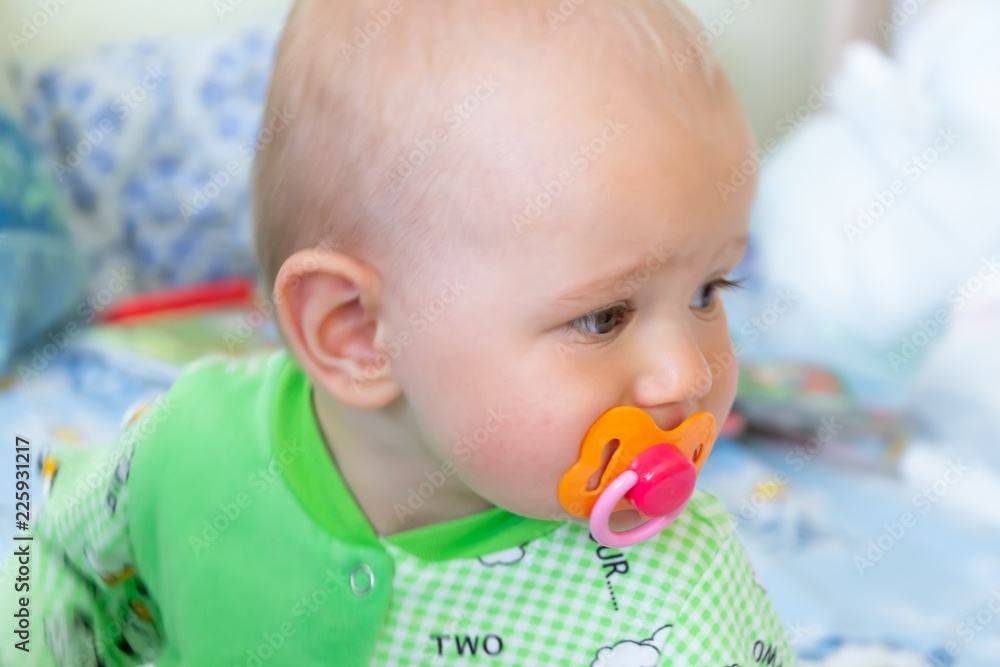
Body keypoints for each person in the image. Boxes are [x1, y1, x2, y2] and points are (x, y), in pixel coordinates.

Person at [8, 0, 797, 664]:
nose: (687, 374)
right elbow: (49, 558)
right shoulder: (183, 444)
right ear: (356, 331)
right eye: (603, 316)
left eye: (707, 289)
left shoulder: (684, 602)